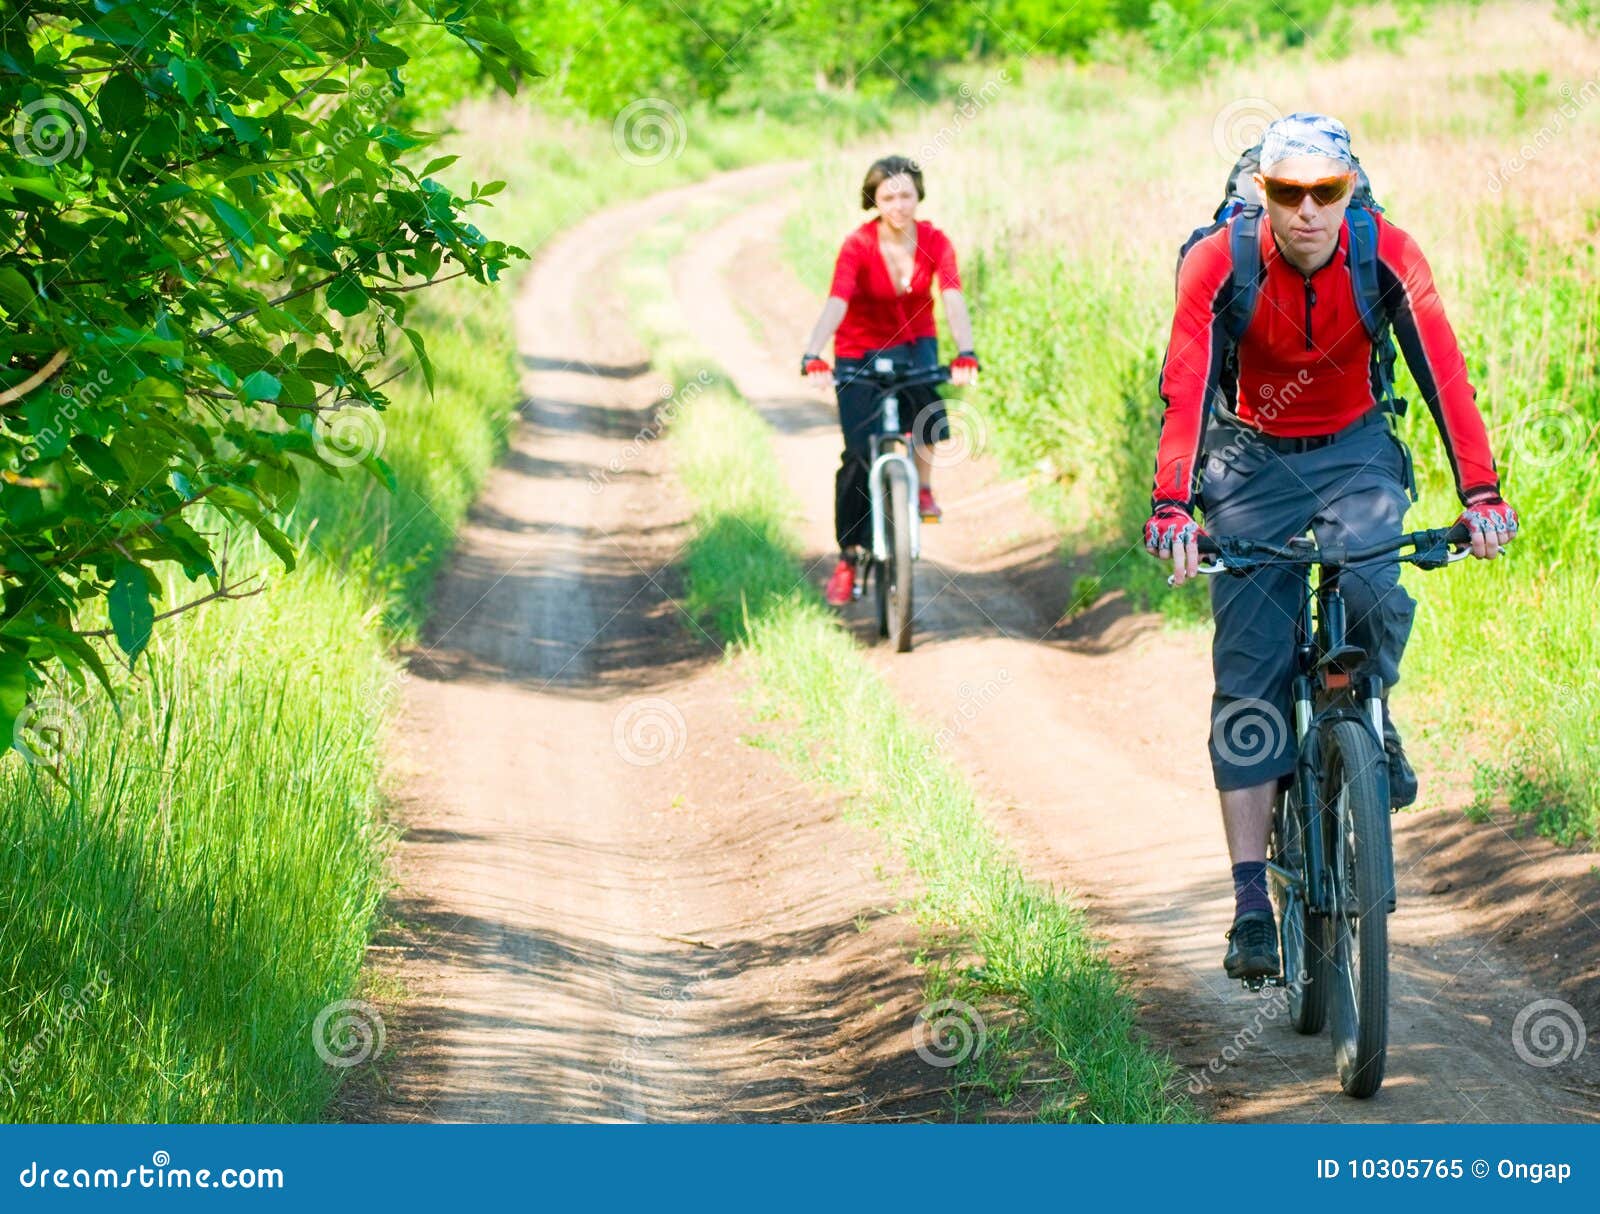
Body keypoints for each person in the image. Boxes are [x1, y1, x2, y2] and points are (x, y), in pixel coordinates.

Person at [1143, 113, 1519, 981]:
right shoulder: (1218, 262)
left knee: (1376, 590)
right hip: (1246, 457)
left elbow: (1444, 373)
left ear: (1349, 191)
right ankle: (1247, 903)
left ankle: (1370, 719)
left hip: (1355, 447)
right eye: (1287, 193)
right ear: (1262, 196)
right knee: (1249, 678)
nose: (1307, 210)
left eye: (1326, 192)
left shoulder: (1386, 251)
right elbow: (1186, 385)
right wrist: (1173, 505)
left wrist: (1482, 491)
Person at [800, 155, 980, 607]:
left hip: (914, 342)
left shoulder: (936, 241)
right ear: (873, 201)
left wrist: (966, 351)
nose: (898, 205)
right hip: (858, 348)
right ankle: (848, 556)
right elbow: (837, 301)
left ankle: (920, 487)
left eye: (906, 194)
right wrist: (813, 353)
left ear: (919, 194)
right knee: (858, 454)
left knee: (930, 415)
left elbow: (952, 296)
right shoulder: (857, 245)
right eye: (888, 197)